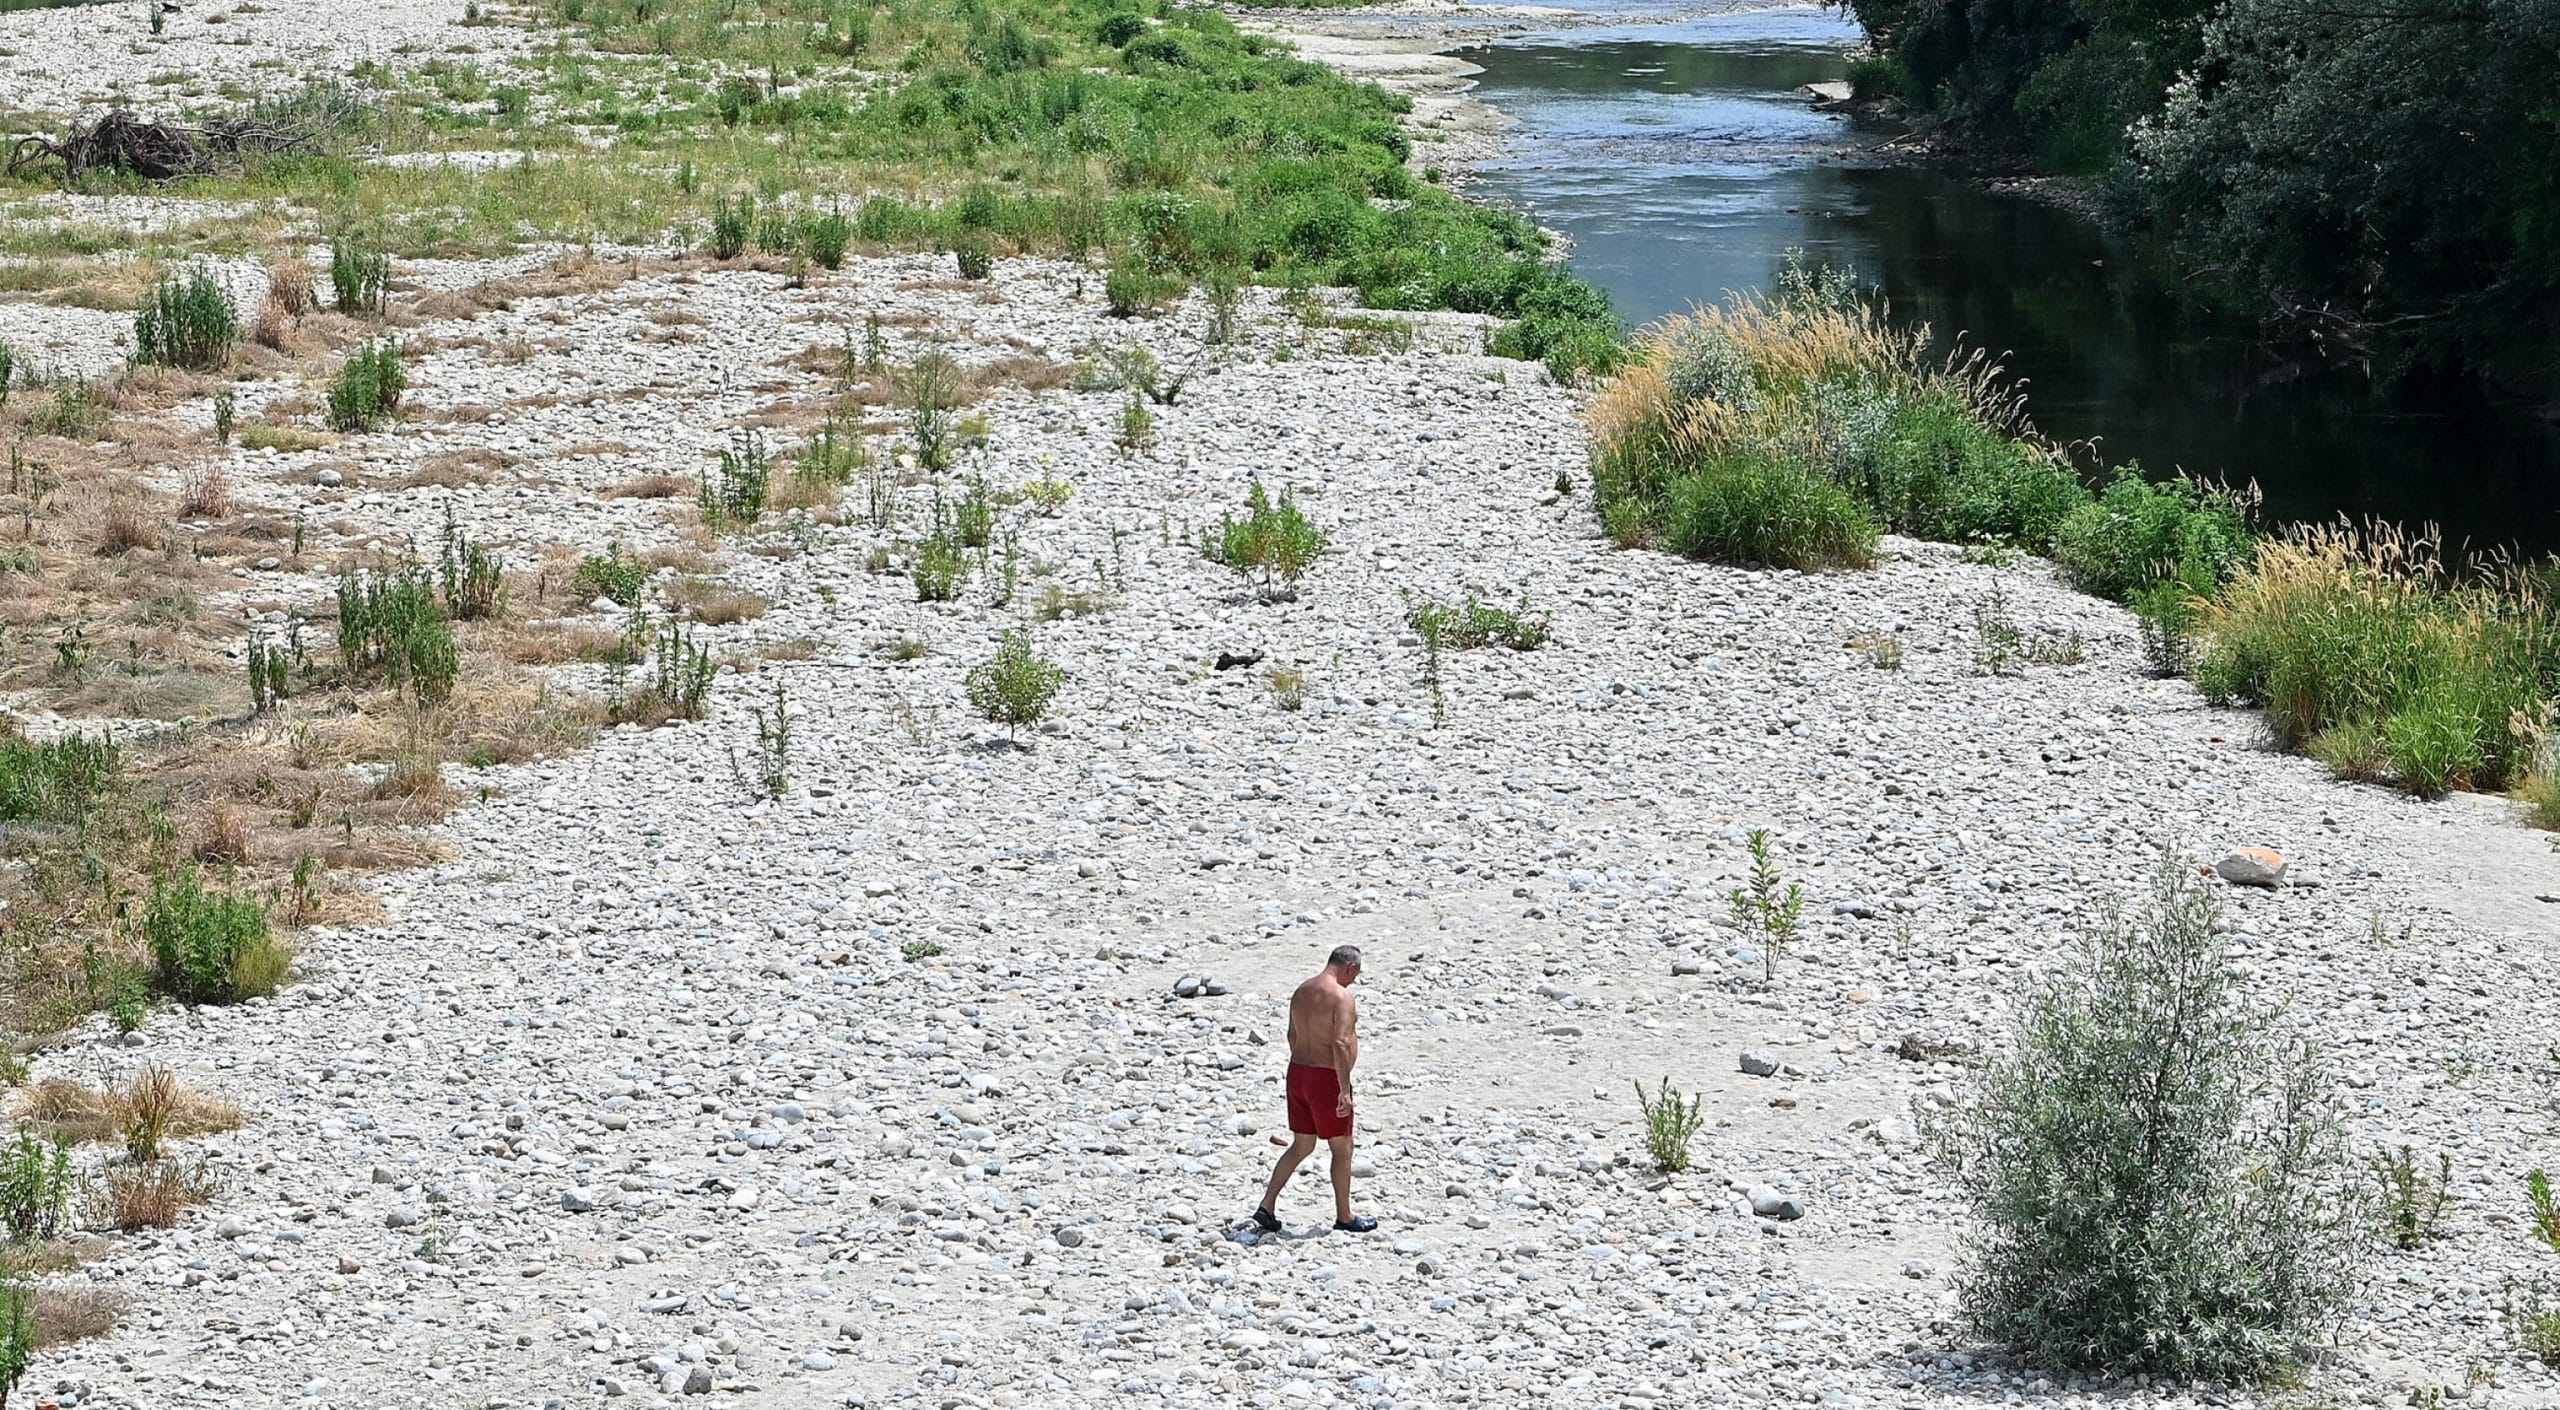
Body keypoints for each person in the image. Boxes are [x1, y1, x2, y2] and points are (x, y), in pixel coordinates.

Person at [1251, 945, 1376, 1234]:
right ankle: (1345, 1216)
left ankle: (1267, 1205)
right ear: (1349, 967)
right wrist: (1343, 1090)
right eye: (1355, 974)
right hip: (1325, 1078)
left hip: (1298, 1073)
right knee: (1342, 1147)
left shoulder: (1302, 990)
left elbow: (1292, 1035)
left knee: (1302, 1145)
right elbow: (1341, 1042)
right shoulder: (1341, 996)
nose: (1355, 980)